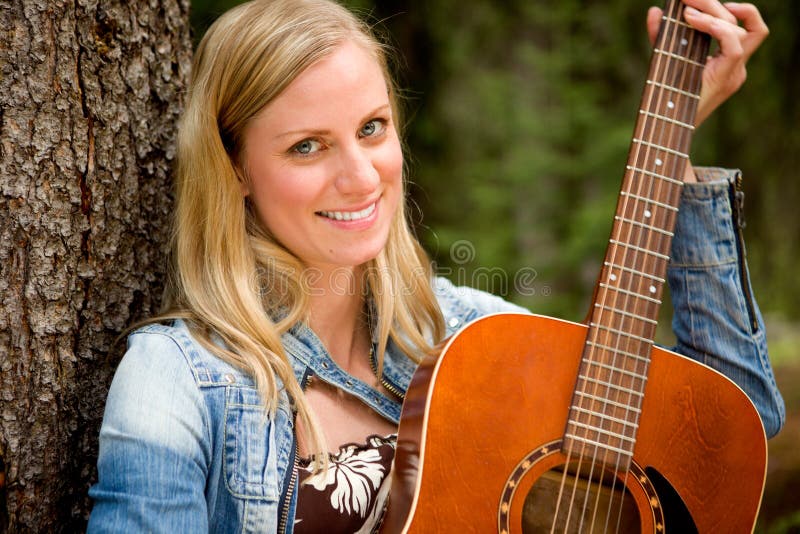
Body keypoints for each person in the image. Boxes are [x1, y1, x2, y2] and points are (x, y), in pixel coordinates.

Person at [87, 0, 785, 532]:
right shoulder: (175, 380)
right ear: (235, 167)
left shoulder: (469, 337)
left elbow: (728, 432)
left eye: (372, 129)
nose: (360, 178)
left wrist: (679, 147)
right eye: (308, 147)